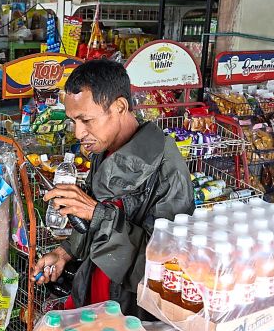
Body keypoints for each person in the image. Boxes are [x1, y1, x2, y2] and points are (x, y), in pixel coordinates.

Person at [31, 59, 194, 313]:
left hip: (132, 316)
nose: (78, 133)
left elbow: (160, 269)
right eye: (74, 121)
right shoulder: (103, 151)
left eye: (86, 120)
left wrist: (97, 214)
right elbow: (95, 223)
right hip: (95, 299)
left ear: (119, 106)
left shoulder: (167, 171)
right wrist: (65, 253)